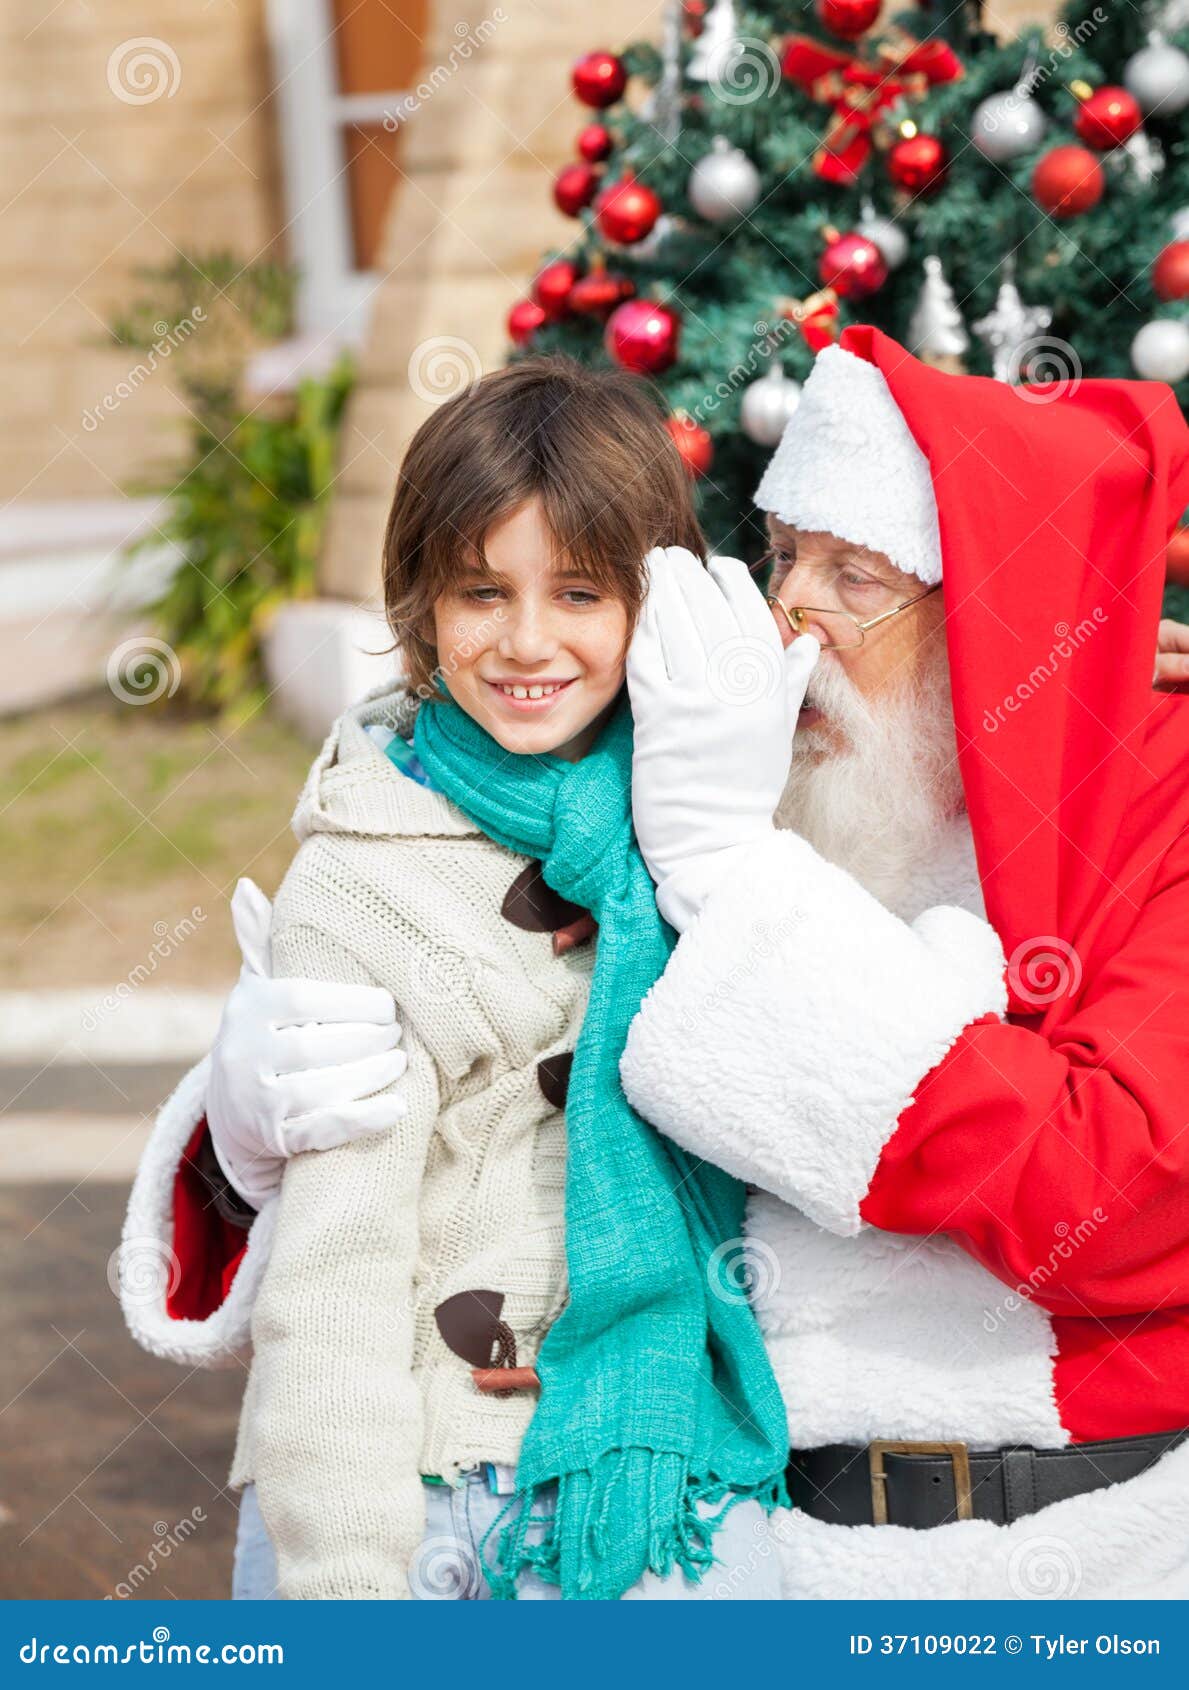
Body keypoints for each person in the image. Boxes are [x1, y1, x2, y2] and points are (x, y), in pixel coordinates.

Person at [118, 354, 788, 1601]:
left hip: (662, 1473)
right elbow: (337, 1274)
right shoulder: (363, 876)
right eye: (482, 591)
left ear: (659, 605)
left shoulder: (711, 822)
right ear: (419, 604)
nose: (527, 641)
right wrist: (343, 1585)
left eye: (581, 591)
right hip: (425, 1491)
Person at [618, 326, 1189, 1599]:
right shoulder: (746, 787)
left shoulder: (1162, 798)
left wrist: (739, 895)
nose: (791, 621)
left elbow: (1121, 1192)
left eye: (854, 578)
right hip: (766, 1558)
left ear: (991, 609)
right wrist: (251, 1138)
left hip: (1095, 1559)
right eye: (782, 561)